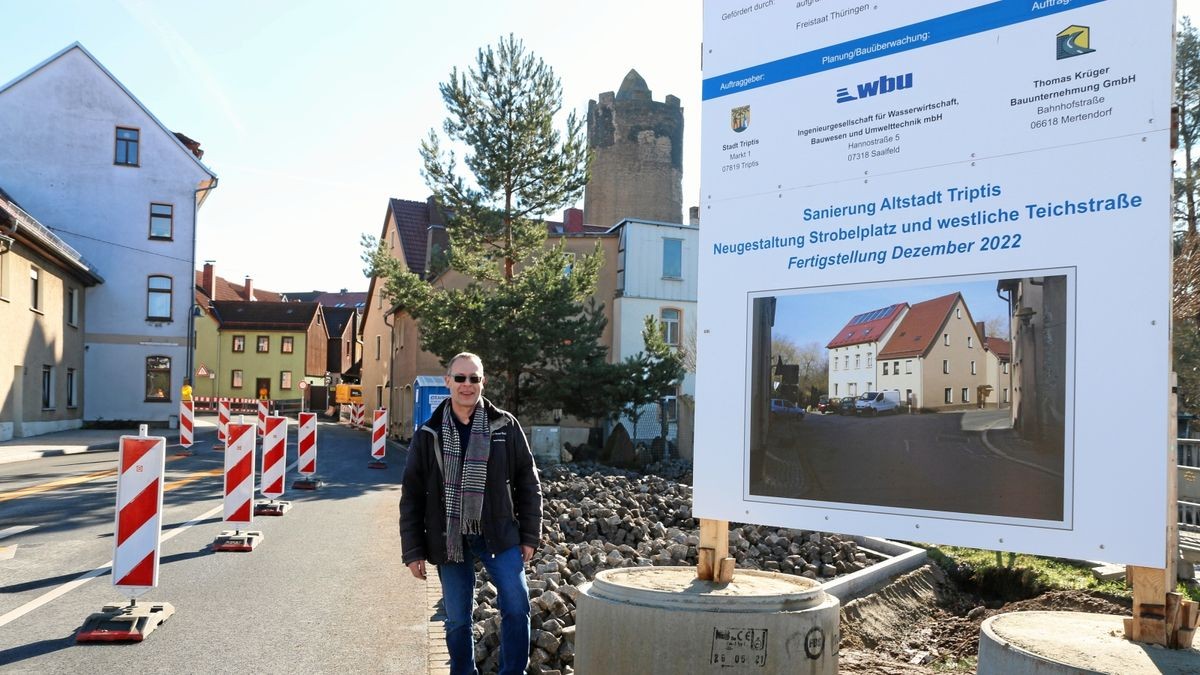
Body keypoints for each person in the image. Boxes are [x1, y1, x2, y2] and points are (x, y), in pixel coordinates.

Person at [400, 352, 542, 675]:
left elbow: (527, 480)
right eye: (460, 378)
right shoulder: (428, 433)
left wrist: (530, 535)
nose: (467, 385)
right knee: (457, 620)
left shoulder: (505, 425)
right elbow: (411, 496)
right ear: (447, 381)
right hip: (449, 539)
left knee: (518, 605)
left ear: (483, 382)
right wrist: (413, 550)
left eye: (474, 378)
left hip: (499, 532)